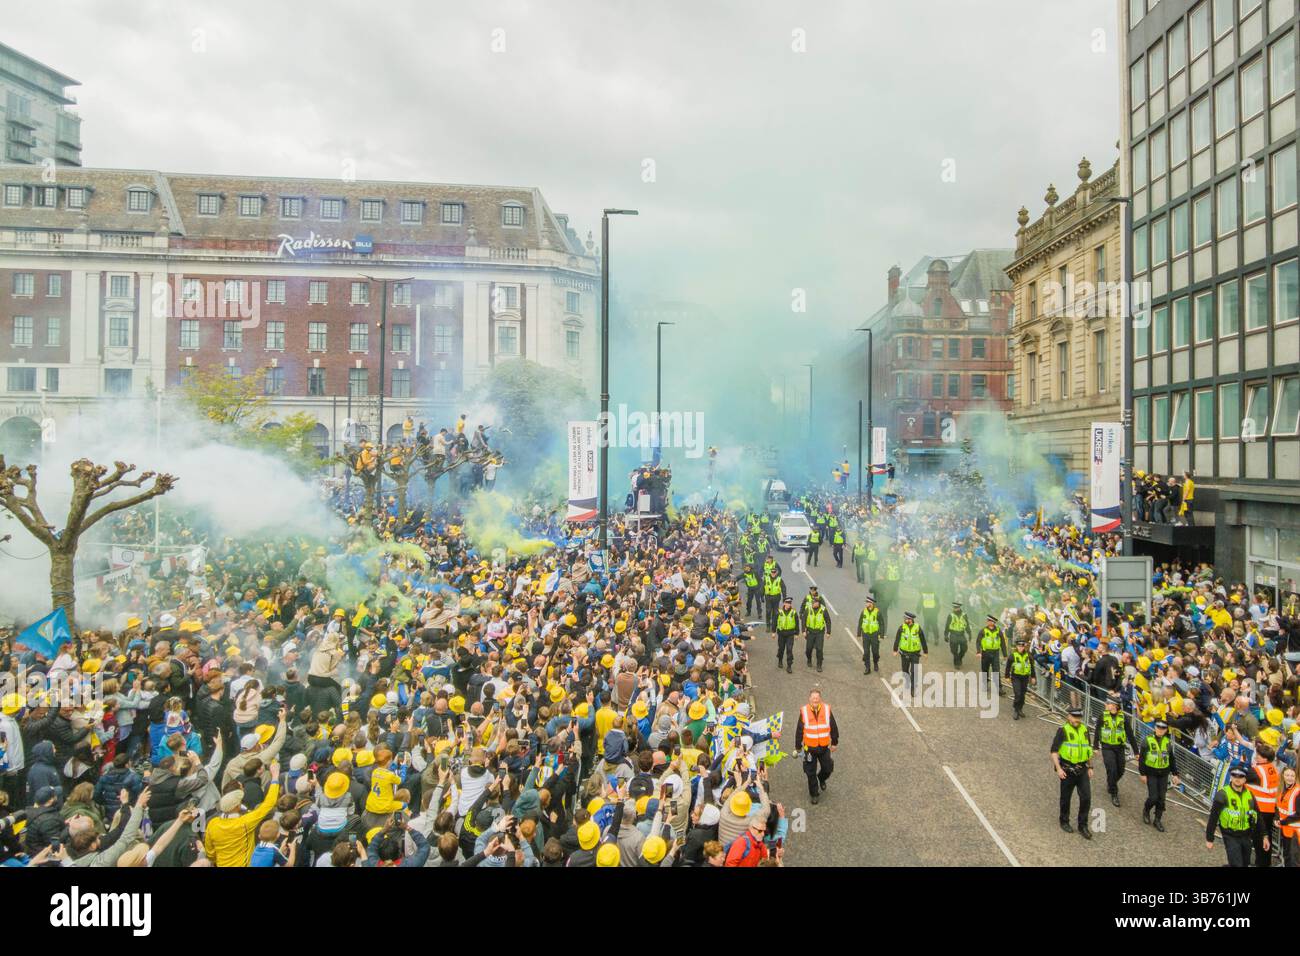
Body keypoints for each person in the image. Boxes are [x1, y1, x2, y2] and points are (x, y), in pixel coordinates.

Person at [1049, 708, 1093, 839]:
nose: (1077, 719)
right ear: (1069, 717)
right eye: (1074, 717)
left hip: (1082, 769)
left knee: (1086, 798)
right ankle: (1064, 821)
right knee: (1065, 798)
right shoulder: (1063, 730)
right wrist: (1059, 769)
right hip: (1067, 770)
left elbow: (1088, 749)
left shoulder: (1085, 730)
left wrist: (1091, 767)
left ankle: (1083, 825)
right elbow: (1054, 751)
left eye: (1079, 717)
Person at [1205, 767, 1259, 867]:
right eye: (1234, 775)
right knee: (1237, 864)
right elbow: (1213, 817)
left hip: (1246, 835)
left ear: (1245, 779)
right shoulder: (1222, 794)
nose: (1237, 778)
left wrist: (1264, 835)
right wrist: (1209, 838)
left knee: (1245, 863)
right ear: (1231, 777)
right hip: (1230, 835)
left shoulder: (1250, 795)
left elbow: (1257, 815)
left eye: (1241, 776)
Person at [1091, 692, 1136, 808]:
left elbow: (1130, 735)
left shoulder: (1123, 718)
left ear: (1115, 706)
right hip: (1107, 747)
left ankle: (1111, 782)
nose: (1106, 704)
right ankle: (1114, 793)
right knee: (1112, 769)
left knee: (1120, 770)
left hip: (1119, 747)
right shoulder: (1103, 716)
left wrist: (1136, 752)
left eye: (1109, 703)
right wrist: (1095, 746)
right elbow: (1097, 731)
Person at [794, 688, 837, 806]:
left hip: (824, 747)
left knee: (828, 768)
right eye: (813, 698)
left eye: (817, 698)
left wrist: (834, 742)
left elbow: (833, 726)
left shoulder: (827, 710)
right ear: (809, 699)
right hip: (810, 749)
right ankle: (814, 794)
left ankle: (821, 778)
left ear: (820, 699)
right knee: (810, 772)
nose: (815, 700)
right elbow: (799, 730)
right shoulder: (804, 711)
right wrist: (798, 746)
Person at [1137, 719, 1180, 832]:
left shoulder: (1167, 742)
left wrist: (1175, 774)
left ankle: (1157, 820)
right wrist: (1142, 774)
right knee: (1153, 797)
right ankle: (1146, 810)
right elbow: (1141, 759)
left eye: (1163, 728)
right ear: (1155, 728)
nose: (1160, 730)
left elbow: (1171, 759)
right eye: (1158, 727)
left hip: (1163, 773)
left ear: (1166, 730)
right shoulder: (1147, 741)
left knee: (1161, 799)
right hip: (1151, 773)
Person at [1245, 743, 1280, 867]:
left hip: (1259, 809)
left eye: (1258, 756)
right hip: (1270, 809)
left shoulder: (1257, 770)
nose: (1256, 757)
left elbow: (1242, 776)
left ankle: (1260, 863)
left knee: (1259, 839)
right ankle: (1265, 862)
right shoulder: (1273, 768)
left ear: (1265, 758)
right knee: (1266, 837)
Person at [892, 611, 927, 696]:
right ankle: (907, 682)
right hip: (904, 653)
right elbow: (897, 639)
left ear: (910, 619)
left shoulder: (918, 628)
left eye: (906, 618)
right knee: (905, 671)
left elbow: (923, 640)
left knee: (914, 671)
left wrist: (926, 652)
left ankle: (913, 689)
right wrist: (895, 650)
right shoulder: (902, 627)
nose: (904, 619)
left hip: (915, 654)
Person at [1003, 636, 1034, 720]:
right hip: (1015, 677)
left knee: (1023, 695)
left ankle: (1020, 708)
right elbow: (1008, 667)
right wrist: (1006, 676)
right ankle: (1016, 710)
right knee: (1018, 693)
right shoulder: (1012, 656)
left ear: (1024, 646)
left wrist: (1033, 677)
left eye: (1022, 646)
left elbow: (1032, 667)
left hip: (1025, 677)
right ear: (1016, 646)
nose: (1021, 648)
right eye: (1019, 646)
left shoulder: (1029, 656)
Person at [976, 615, 1006, 699]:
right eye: (988, 621)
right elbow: (978, 642)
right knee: (985, 669)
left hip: (995, 653)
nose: (989, 622)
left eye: (991, 621)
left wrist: (1005, 655)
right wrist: (978, 652)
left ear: (994, 623)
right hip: (985, 653)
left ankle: (999, 688)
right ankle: (985, 684)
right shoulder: (983, 631)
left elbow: (1003, 643)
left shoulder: (999, 631)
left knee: (996, 670)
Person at [802, 594, 830, 673]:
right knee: (808, 649)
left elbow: (828, 621)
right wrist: (803, 631)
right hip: (810, 632)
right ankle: (809, 659)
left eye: (814, 603)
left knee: (819, 649)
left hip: (819, 632)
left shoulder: (823, 610)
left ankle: (819, 665)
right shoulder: (808, 609)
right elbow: (803, 620)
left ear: (818, 603)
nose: (812, 604)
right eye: (812, 603)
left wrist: (828, 632)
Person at [774, 596, 799, 674]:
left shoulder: (794, 613)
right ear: (784, 603)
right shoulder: (779, 612)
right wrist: (773, 632)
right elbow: (775, 622)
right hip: (781, 633)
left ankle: (789, 666)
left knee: (789, 649)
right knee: (781, 648)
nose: (788, 605)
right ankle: (780, 660)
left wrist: (797, 633)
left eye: (790, 603)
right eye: (787, 603)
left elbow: (797, 624)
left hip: (790, 634)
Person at [859, 595, 882, 675]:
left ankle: (875, 662)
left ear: (871, 603)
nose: (866, 604)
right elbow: (860, 622)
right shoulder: (864, 611)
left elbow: (882, 623)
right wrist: (859, 633)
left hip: (874, 635)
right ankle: (867, 668)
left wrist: (881, 635)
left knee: (875, 652)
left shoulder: (877, 612)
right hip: (865, 634)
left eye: (868, 602)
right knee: (866, 652)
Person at [943, 601, 970, 668]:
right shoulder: (950, 615)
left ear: (959, 608)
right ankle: (957, 663)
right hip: (953, 634)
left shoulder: (964, 615)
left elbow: (967, 625)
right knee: (954, 650)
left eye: (957, 607)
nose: (955, 609)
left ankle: (959, 658)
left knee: (964, 649)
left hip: (961, 634)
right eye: (954, 607)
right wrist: (946, 635)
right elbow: (947, 625)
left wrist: (969, 633)